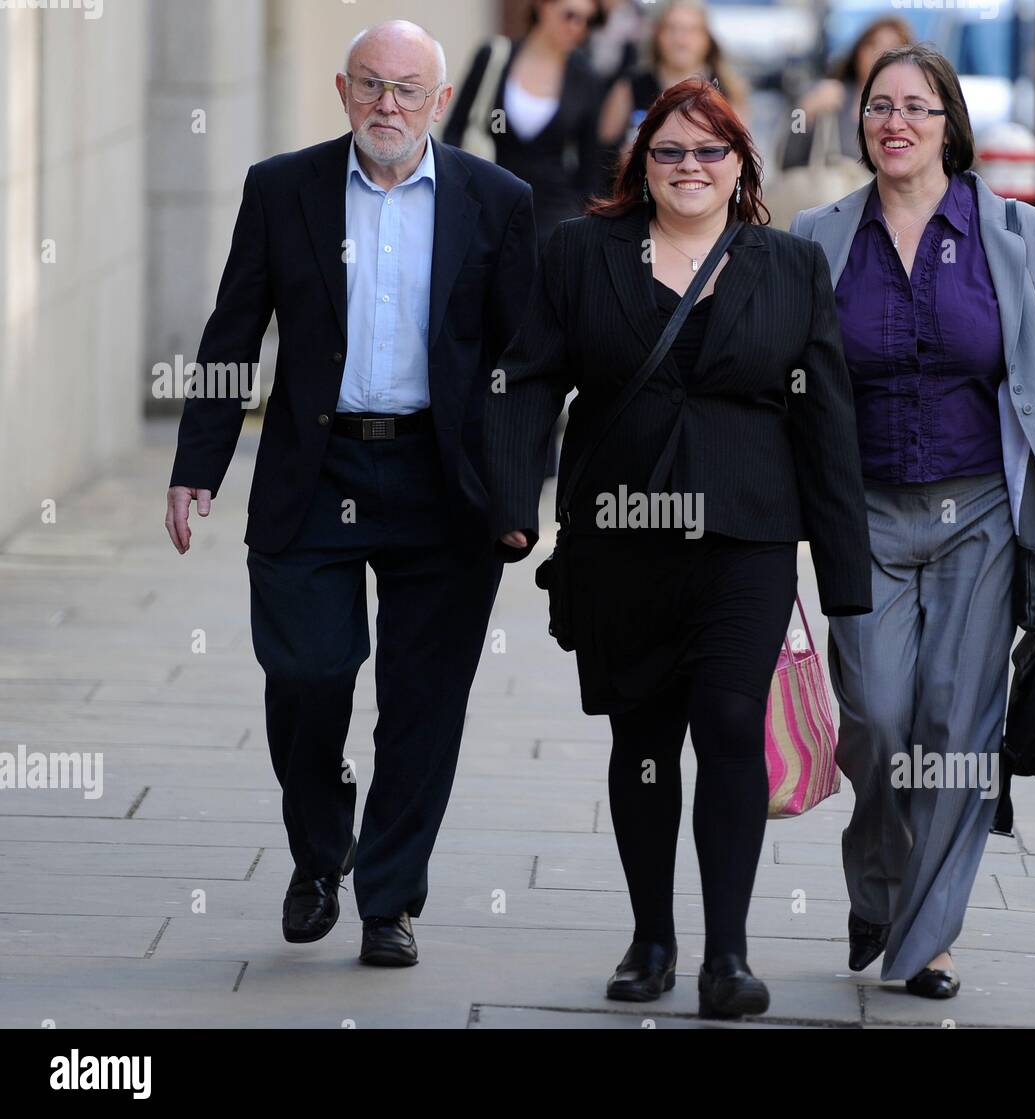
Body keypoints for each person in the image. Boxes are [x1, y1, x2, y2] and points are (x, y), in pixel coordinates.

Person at [484, 78, 870, 1020]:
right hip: (620, 535)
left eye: (708, 152)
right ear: (641, 165)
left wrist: (845, 568)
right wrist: (511, 503)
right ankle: (651, 936)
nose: (689, 168)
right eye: (670, 152)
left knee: (733, 725)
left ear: (740, 165)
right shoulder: (581, 254)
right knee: (644, 736)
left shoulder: (788, 266)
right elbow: (530, 377)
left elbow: (825, 415)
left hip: (747, 535)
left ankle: (727, 956)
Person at [164, 20, 537, 969]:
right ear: (341, 90)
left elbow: (523, 361)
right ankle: (319, 847)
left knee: (423, 701)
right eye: (370, 85)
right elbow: (231, 331)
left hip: (440, 483)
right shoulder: (282, 187)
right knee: (306, 676)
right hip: (312, 471)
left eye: (407, 90)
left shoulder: (496, 201)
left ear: (441, 103)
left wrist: (515, 493)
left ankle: (390, 898)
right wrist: (195, 468)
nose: (387, 105)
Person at [792, 43, 1035, 999]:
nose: (895, 122)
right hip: (863, 515)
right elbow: (791, 385)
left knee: (956, 727)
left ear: (950, 125)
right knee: (878, 718)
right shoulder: (817, 235)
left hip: (980, 516)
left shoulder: (1026, 239)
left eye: (917, 108)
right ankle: (879, 879)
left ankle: (926, 938)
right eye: (880, 107)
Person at [443, 0, 603, 247]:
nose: (578, 27)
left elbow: (589, 162)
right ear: (543, 7)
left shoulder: (585, 76)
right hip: (488, 197)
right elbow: (455, 129)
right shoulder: (495, 56)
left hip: (552, 213)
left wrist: (580, 217)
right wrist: (458, 187)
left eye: (588, 21)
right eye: (570, 15)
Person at [597, 0, 748, 160]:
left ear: (706, 38)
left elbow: (740, 155)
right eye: (672, 29)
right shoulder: (630, 87)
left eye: (691, 30)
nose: (681, 40)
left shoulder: (728, 90)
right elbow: (603, 147)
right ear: (657, 34)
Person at [782, 14, 912, 171]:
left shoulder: (913, 112)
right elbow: (787, 158)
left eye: (892, 48)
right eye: (872, 44)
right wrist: (804, 111)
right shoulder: (829, 95)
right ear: (858, 51)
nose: (879, 54)